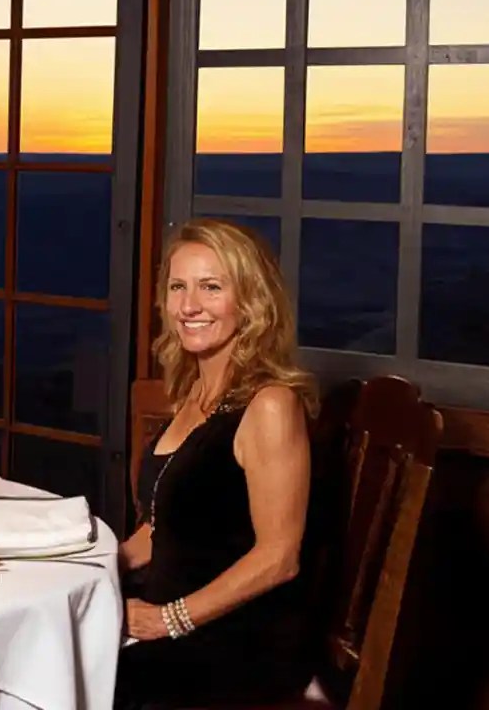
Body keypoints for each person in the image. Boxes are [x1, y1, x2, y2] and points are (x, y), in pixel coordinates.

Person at [115, 218, 320, 708]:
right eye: (178, 287)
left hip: (233, 648)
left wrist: (167, 620)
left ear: (250, 302)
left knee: (61, 675)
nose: (189, 306)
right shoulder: (195, 392)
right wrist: (91, 569)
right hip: (171, 622)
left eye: (211, 287)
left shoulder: (270, 405)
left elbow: (279, 558)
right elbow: (161, 528)